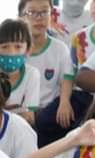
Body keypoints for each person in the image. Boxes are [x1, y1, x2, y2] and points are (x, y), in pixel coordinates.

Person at [22, 0, 78, 141]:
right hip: (23, 111)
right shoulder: (16, 50)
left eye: (44, 12)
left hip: (48, 111)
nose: (39, 18)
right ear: (22, 16)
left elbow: (67, 77)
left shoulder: (60, 48)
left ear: (51, 15)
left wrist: (64, 102)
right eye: (32, 12)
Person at [0, 18, 42, 123]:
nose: (11, 52)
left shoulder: (32, 75)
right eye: (5, 47)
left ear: (28, 50)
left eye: (18, 47)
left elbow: (29, 117)